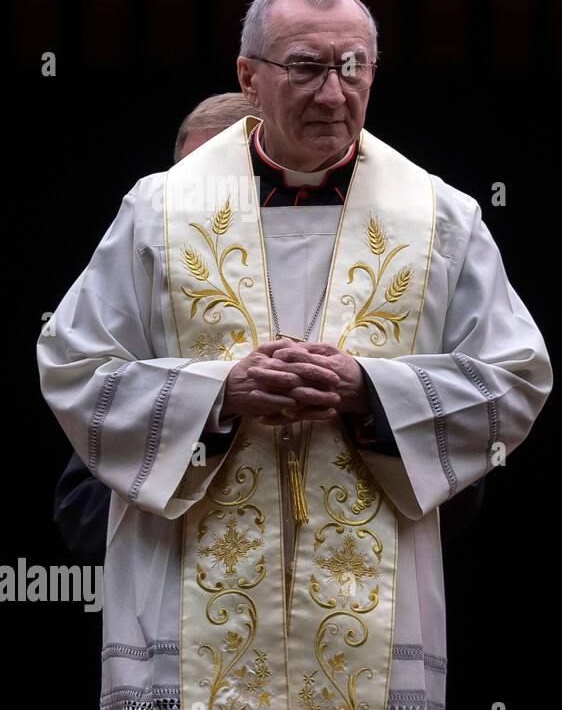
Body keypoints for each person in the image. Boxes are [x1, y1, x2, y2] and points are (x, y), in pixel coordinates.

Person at [37, 0, 552, 710]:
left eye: (353, 68)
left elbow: (514, 377)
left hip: (365, 599)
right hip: (186, 582)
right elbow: (75, 366)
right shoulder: (159, 210)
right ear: (250, 76)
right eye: (307, 67)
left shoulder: (441, 217)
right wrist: (218, 394)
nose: (332, 92)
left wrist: (370, 391)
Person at [52, 94, 488, 568]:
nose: (196, 203)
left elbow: (459, 492)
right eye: (188, 183)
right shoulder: (152, 255)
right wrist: (205, 410)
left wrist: (370, 397)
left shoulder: (397, 255)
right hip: (185, 586)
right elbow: (82, 511)